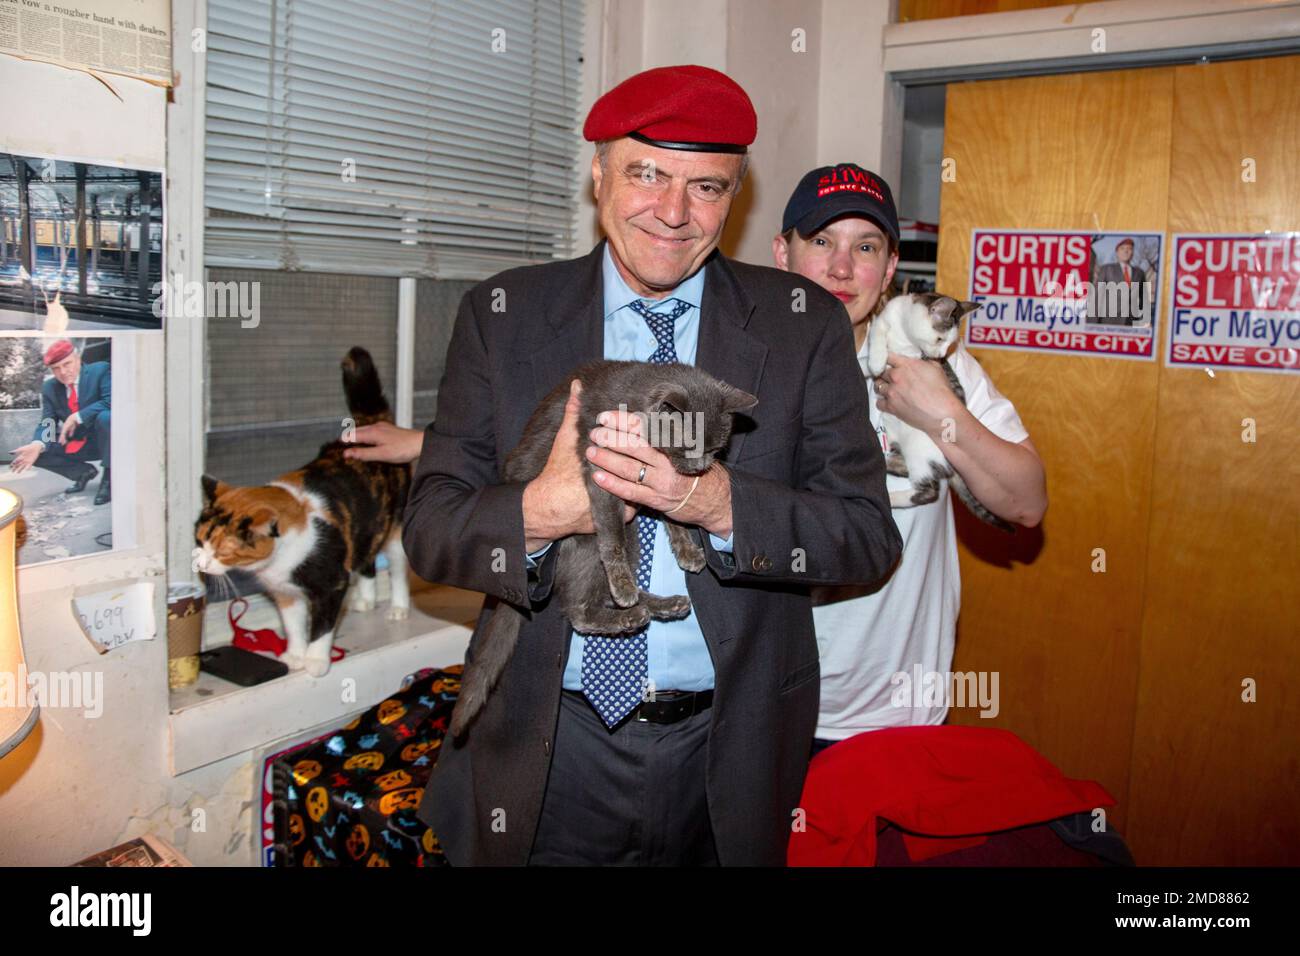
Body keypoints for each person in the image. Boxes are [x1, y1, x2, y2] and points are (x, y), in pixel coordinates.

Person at [392, 67, 901, 866]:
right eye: (646, 174)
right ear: (598, 175)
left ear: (735, 198)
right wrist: (545, 510)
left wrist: (722, 503)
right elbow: (430, 531)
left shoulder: (803, 328)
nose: (672, 212)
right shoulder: (502, 316)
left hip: (728, 755)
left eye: (705, 186)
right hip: (547, 749)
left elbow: (868, 538)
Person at [771, 163, 1046, 758]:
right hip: (766, 704)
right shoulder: (744, 368)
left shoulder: (935, 365)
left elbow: (1026, 504)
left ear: (890, 267)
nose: (842, 268)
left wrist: (940, 413)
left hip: (897, 711)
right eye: (821, 242)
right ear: (783, 254)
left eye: (864, 247)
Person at [7, 339, 112, 505]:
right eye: (56, 368)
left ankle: (108, 478)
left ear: (77, 358)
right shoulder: (50, 387)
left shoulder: (99, 370)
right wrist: (38, 443)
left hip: (105, 440)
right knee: (36, 451)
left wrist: (77, 416)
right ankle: (83, 472)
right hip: (76, 441)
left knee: (106, 416)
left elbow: (112, 400)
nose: (63, 372)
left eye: (67, 364)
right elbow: (48, 421)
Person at [1091, 237, 1147, 325]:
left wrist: (1145, 321)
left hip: (1131, 322)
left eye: (1129, 249)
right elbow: (1097, 297)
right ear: (1117, 252)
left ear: (1132, 253)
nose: (1126, 251)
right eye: (1122, 249)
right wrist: (1092, 323)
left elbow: (1143, 300)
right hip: (1109, 321)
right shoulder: (1107, 269)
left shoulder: (1139, 273)